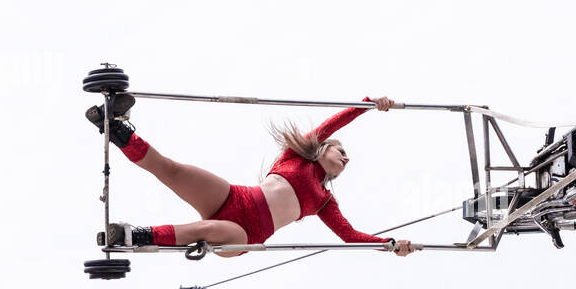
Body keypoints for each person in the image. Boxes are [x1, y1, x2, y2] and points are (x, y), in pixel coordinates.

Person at [85, 94, 414, 258]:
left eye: (347, 159)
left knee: (207, 228)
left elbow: (350, 235)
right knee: (172, 170)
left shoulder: (325, 201)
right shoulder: (296, 156)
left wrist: (388, 244)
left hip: (245, 233)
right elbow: (336, 122)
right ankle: (113, 127)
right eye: (341, 151)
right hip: (233, 197)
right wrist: (369, 104)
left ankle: (133, 235)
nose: (346, 157)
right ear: (323, 148)